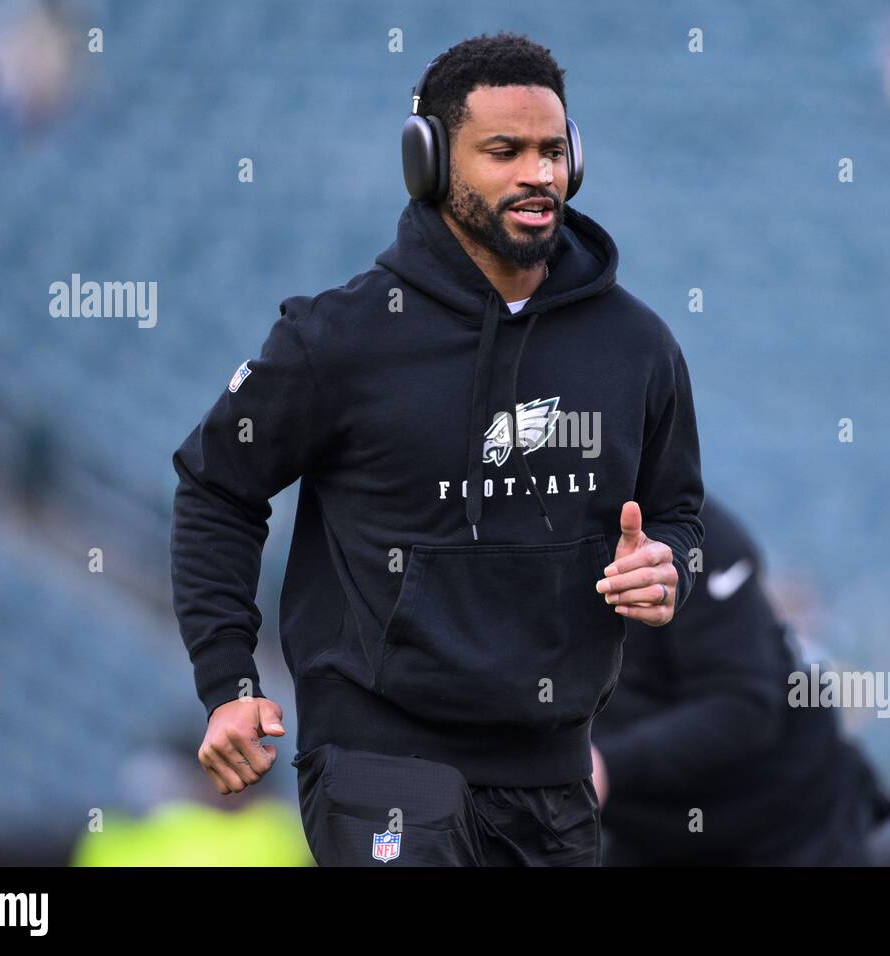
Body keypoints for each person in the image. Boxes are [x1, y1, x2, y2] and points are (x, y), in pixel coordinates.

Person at [169, 32, 704, 866]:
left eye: (553, 151)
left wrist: (667, 564)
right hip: (380, 756)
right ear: (428, 162)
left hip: (552, 771)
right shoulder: (340, 337)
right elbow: (215, 488)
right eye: (505, 151)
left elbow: (677, 514)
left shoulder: (638, 347)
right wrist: (228, 682)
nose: (539, 174)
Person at [590, 494, 890, 865]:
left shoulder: (685, 532)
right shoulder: (515, 542)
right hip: (651, 834)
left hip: (788, 826)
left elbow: (744, 707)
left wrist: (605, 765)